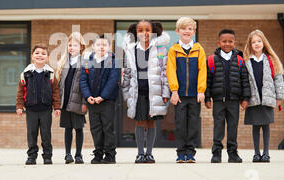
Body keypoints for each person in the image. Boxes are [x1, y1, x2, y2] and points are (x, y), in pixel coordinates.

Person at [122, 20, 170, 163]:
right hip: (138, 93)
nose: (144, 33)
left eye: (147, 30)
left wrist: (166, 92)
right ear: (136, 33)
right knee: (140, 122)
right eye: (141, 30)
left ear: (153, 31)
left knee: (151, 123)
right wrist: (126, 94)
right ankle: (140, 153)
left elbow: (164, 72)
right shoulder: (130, 50)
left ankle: (149, 153)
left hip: (154, 92)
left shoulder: (160, 50)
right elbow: (127, 74)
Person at [205, 29, 251, 163]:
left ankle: (233, 153)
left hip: (234, 101)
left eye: (230, 41)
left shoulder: (240, 60)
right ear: (218, 43)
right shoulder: (212, 60)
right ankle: (216, 153)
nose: (227, 44)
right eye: (224, 41)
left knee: (232, 127)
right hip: (218, 100)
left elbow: (244, 81)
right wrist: (208, 98)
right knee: (218, 127)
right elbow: (207, 80)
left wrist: (245, 98)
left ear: (235, 43)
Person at [166, 17, 207, 163]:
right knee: (180, 125)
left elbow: (203, 71)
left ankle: (190, 153)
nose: (187, 31)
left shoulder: (199, 49)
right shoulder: (173, 50)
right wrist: (174, 91)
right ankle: (180, 153)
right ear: (178, 31)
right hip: (180, 95)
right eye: (184, 28)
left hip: (195, 95)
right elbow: (171, 71)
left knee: (193, 124)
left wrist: (201, 90)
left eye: (190, 29)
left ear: (194, 32)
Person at [243, 29, 284, 163]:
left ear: (264, 43)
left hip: (267, 98)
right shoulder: (246, 61)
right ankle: (256, 153)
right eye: (253, 42)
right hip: (253, 99)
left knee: (266, 126)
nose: (256, 44)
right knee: (255, 126)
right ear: (250, 44)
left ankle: (266, 153)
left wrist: (279, 97)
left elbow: (278, 80)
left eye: (259, 41)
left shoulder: (271, 60)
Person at [16, 44, 61, 165]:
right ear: (32, 56)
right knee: (32, 134)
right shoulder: (26, 74)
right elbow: (20, 92)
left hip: (46, 109)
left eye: (43, 53)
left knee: (46, 134)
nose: (40, 55)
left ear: (47, 57)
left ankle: (47, 156)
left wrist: (57, 107)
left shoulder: (51, 74)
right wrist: (19, 106)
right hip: (31, 109)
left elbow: (56, 91)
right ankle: (31, 156)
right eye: (37, 53)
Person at [80, 34, 121, 164]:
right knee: (95, 129)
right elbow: (83, 81)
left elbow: (113, 81)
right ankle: (98, 153)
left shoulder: (114, 61)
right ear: (93, 46)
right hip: (92, 101)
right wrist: (88, 96)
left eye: (104, 45)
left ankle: (110, 155)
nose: (101, 47)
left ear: (109, 47)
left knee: (107, 128)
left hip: (107, 101)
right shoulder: (87, 62)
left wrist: (102, 97)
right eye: (98, 44)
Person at [55, 32, 88, 164]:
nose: (72, 47)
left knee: (78, 128)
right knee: (68, 129)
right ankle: (68, 154)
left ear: (81, 47)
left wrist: (85, 102)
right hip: (65, 101)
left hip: (78, 101)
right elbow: (59, 84)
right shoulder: (63, 62)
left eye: (75, 45)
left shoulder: (85, 62)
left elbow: (87, 84)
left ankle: (78, 155)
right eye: (70, 45)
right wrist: (58, 103)